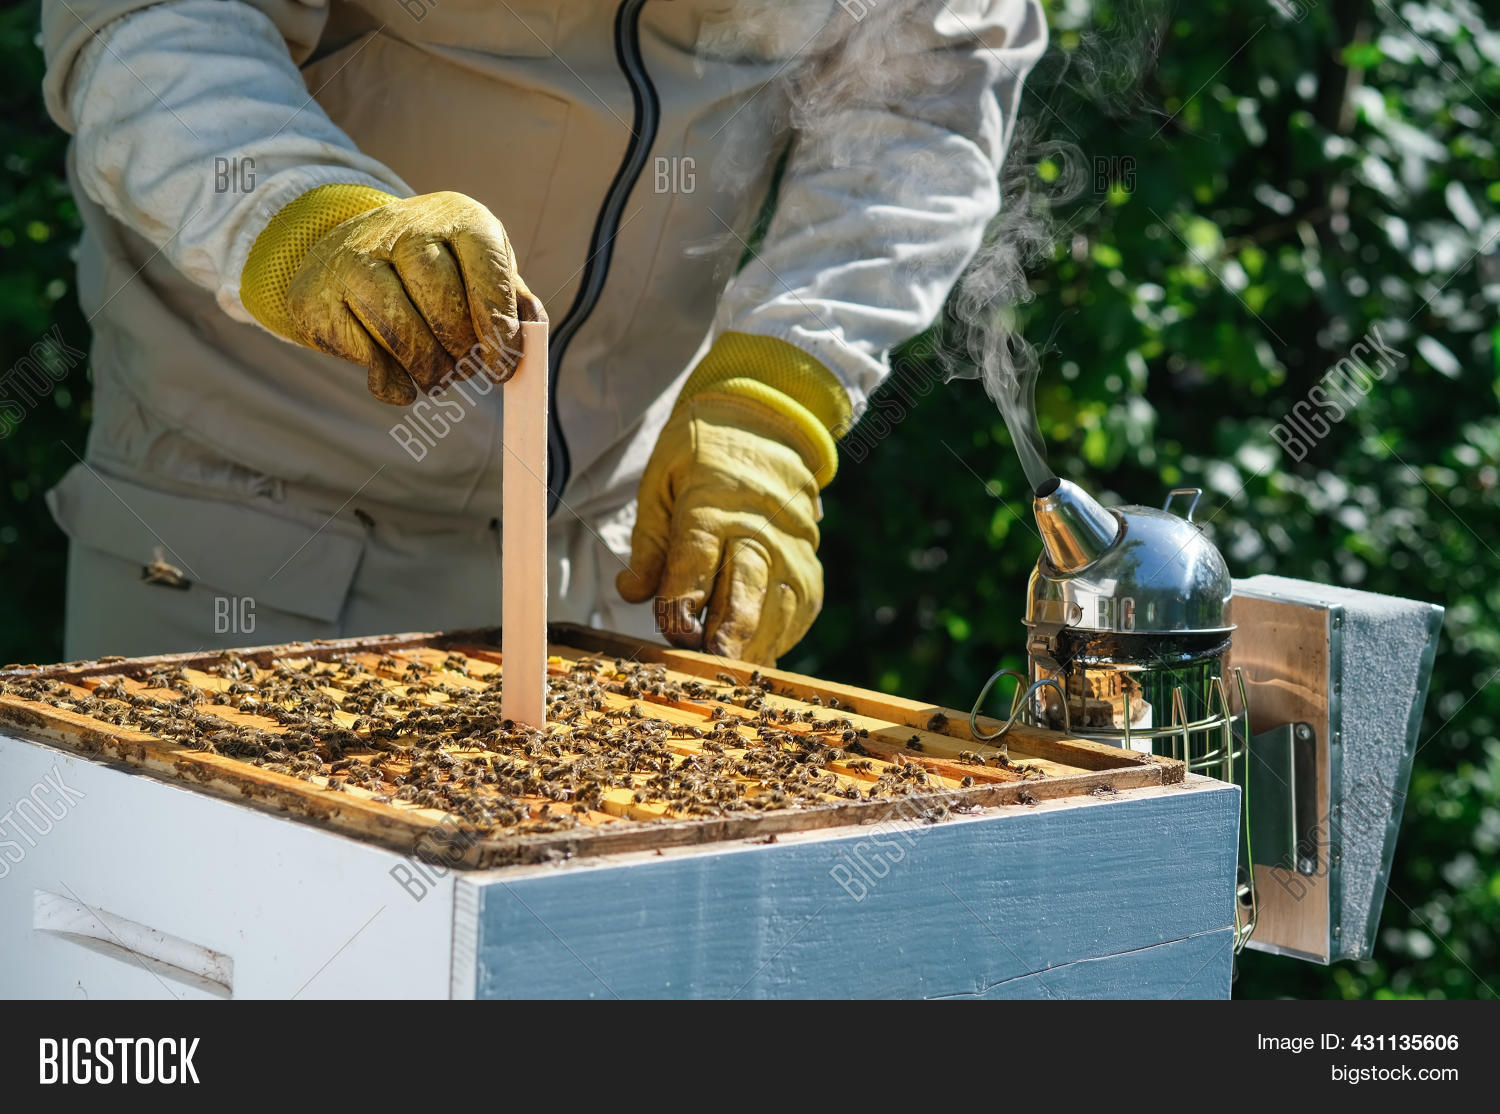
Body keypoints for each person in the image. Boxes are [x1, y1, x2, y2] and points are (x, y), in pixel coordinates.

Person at [40, 0, 1046, 663]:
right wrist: (301, 217)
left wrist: (775, 396)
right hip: (245, 535)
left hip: (611, 565)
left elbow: (927, 89)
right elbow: (160, 20)